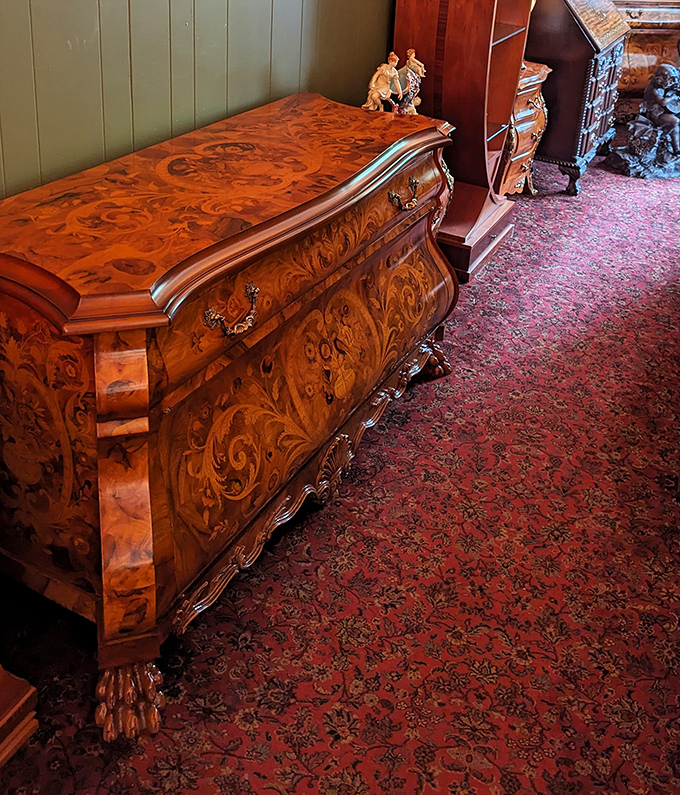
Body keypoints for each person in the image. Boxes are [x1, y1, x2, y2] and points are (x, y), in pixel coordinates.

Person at [641, 63, 680, 154]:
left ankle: (677, 149)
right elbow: (662, 102)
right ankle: (664, 134)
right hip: (654, 114)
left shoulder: (660, 86)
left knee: (676, 127)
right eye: (669, 80)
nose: (670, 83)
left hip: (661, 111)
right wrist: (673, 97)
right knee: (675, 121)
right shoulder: (653, 89)